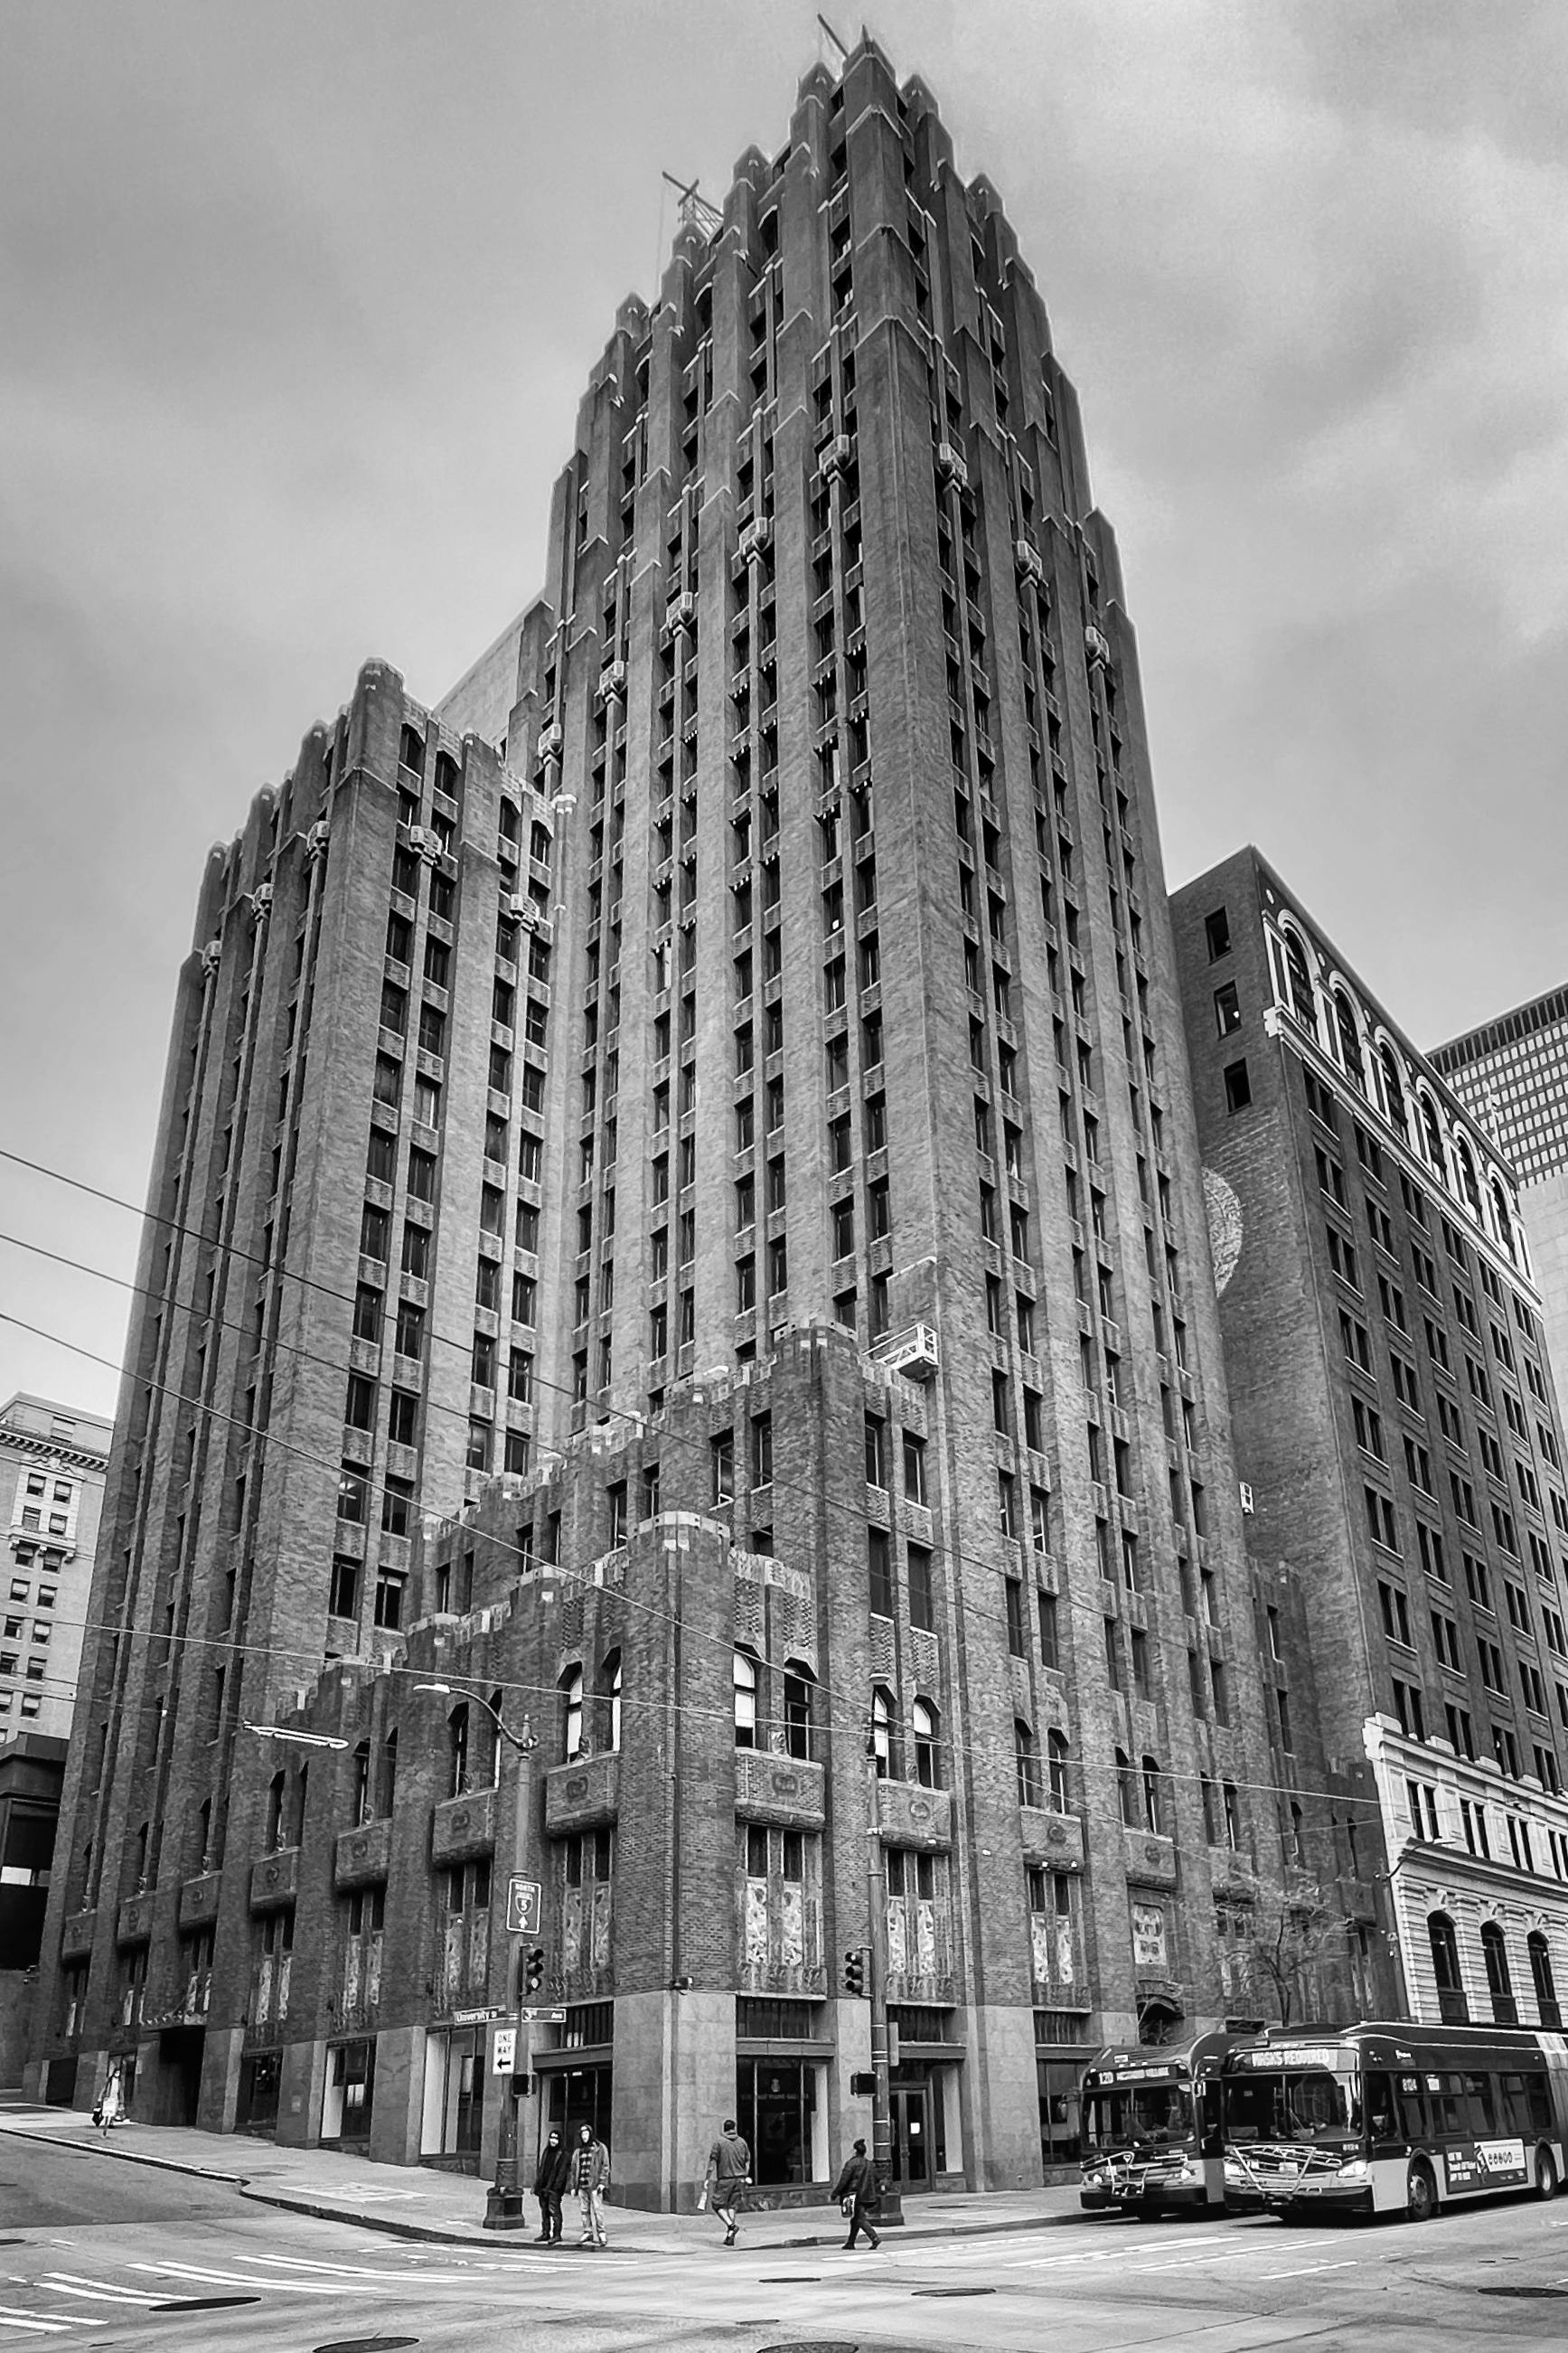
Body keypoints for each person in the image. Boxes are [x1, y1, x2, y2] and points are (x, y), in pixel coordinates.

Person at [702, 2115, 752, 2247]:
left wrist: (707, 2178)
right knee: (732, 2206)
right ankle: (730, 2235)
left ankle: (731, 2226)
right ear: (734, 2128)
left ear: (724, 2129)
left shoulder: (719, 2143)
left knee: (717, 2205)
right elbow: (747, 2161)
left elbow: (712, 2163)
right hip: (740, 2179)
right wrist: (745, 2175)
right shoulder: (742, 2142)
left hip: (725, 2179)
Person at [831, 2135, 882, 2251]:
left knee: (860, 2219)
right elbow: (877, 2179)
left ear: (855, 2151)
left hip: (855, 2195)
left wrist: (835, 2193)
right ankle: (850, 2242)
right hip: (867, 2195)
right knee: (856, 2219)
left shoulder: (852, 2163)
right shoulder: (870, 2164)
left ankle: (874, 2238)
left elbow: (844, 2180)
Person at [571, 2121, 610, 2247]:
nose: (584, 2137)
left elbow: (605, 2166)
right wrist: (573, 2186)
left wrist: (602, 2182)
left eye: (586, 2134)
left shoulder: (599, 2148)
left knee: (597, 2210)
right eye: (582, 2134)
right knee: (584, 2210)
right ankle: (587, 2231)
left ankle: (601, 2232)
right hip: (582, 2185)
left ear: (591, 2134)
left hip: (594, 2185)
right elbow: (573, 2170)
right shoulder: (578, 2151)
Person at [532, 2127, 571, 2245]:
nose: (553, 2140)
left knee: (554, 2211)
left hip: (554, 2189)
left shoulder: (563, 2154)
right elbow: (542, 2168)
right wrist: (537, 2185)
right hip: (543, 2186)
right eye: (551, 2138)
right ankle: (545, 2233)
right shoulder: (547, 2151)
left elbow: (562, 2173)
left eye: (555, 2138)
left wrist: (555, 2187)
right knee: (544, 2211)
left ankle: (557, 2234)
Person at [94, 2064, 125, 2137]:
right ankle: (100, 2120)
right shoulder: (110, 2080)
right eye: (117, 2072)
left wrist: (121, 2100)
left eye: (119, 2073)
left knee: (114, 2110)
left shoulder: (120, 2082)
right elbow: (104, 2089)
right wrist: (100, 2097)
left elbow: (121, 2091)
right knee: (105, 2110)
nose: (118, 2074)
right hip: (108, 2097)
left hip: (115, 2098)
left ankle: (111, 2122)